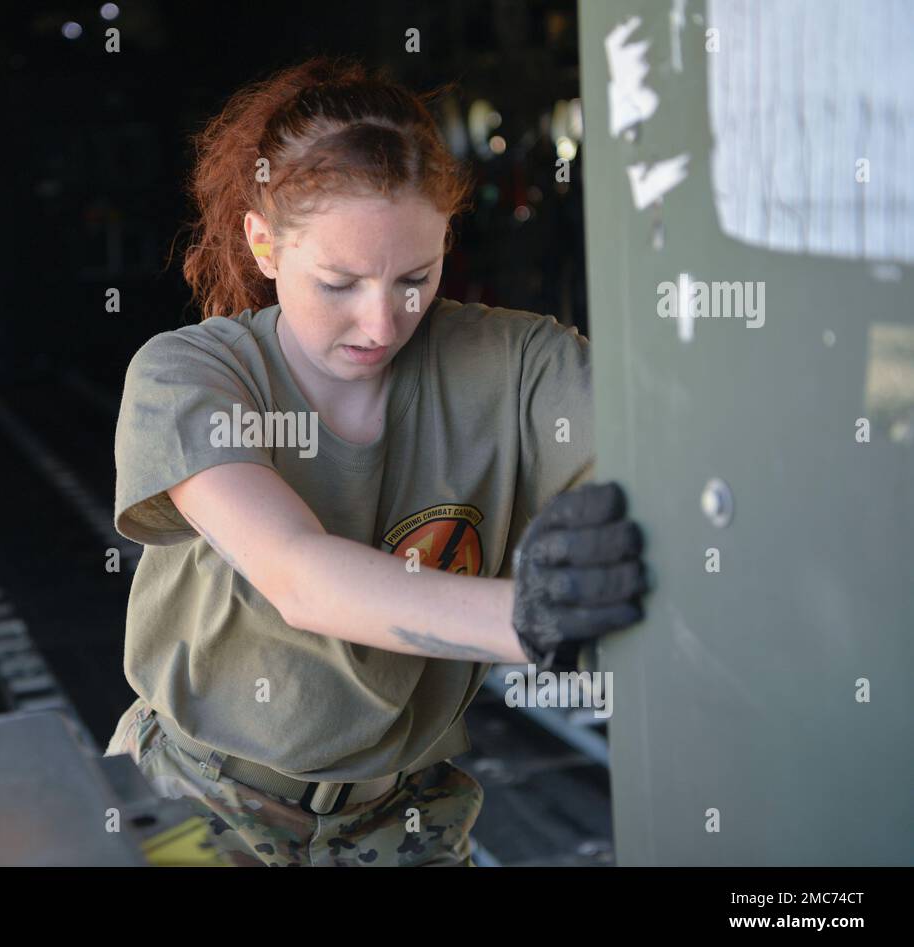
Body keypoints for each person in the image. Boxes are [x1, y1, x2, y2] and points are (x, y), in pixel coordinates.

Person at [103, 55, 648, 867]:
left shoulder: (518, 363)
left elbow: (683, 456)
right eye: (339, 282)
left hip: (405, 818)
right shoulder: (190, 374)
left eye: (413, 279)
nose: (382, 324)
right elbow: (297, 575)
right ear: (263, 243)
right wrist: (530, 617)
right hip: (197, 805)